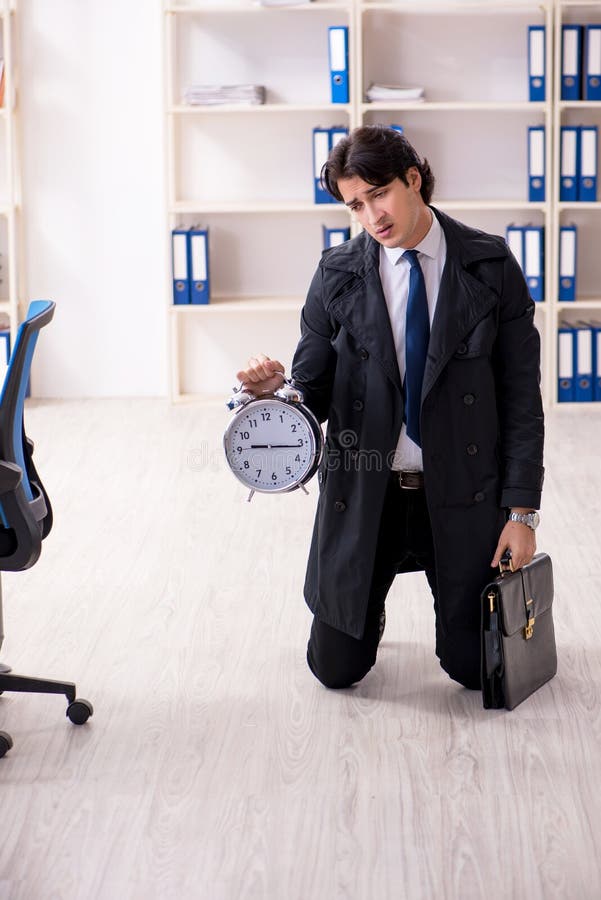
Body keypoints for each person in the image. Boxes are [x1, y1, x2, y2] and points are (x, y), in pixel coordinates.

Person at [236, 125, 544, 692]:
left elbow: (523, 399)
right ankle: (367, 613)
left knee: (474, 673)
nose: (371, 216)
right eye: (355, 205)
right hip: (365, 490)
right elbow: (313, 389)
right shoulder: (337, 272)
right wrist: (278, 395)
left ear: (413, 178)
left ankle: (448, 619)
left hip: (462, 491)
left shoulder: (490, 264)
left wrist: (521, 515)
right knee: (335, 670)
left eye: (379, 194)